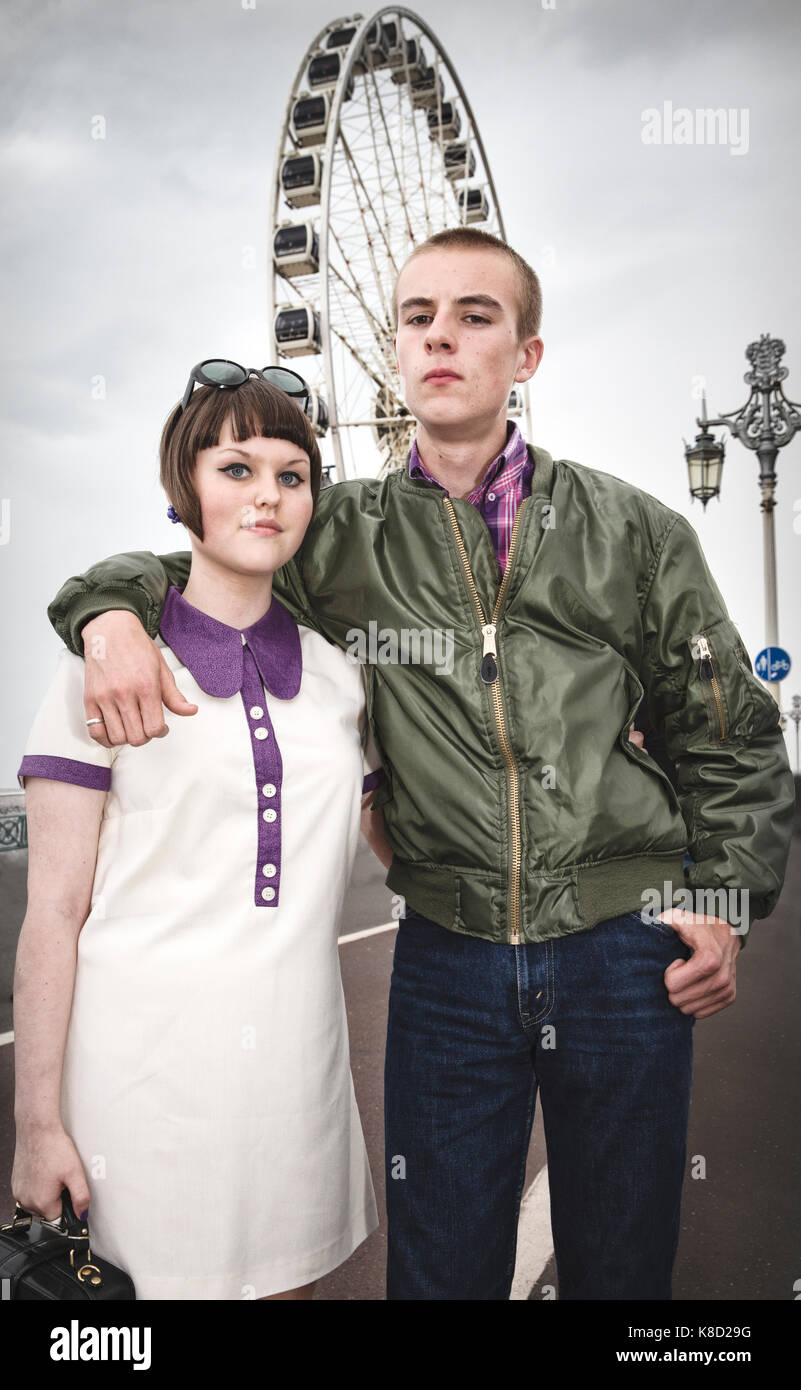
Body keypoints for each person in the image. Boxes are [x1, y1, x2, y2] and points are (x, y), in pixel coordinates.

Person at [44, 228, 795, 1301]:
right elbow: (189, 564)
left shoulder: (636, 532)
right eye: (416, 316)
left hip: (623, 956)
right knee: (439, 1277)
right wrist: (106, 613)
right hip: (447, 957)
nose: (440, 334)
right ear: (396, 347)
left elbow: (728, 735)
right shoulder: (336, 536)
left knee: (624, 1274)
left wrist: (725, 901)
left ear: (525, 356)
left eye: (475, 316)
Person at [12, 368, 383, 1300]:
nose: (266, 493)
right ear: (184, 492)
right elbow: (54, 912)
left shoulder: (344, 682)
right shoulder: (99, 668)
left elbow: (404, 842)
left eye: (292, 475)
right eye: (235, 468)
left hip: (297, 1070)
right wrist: (36, 1125)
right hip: (137, 1087)